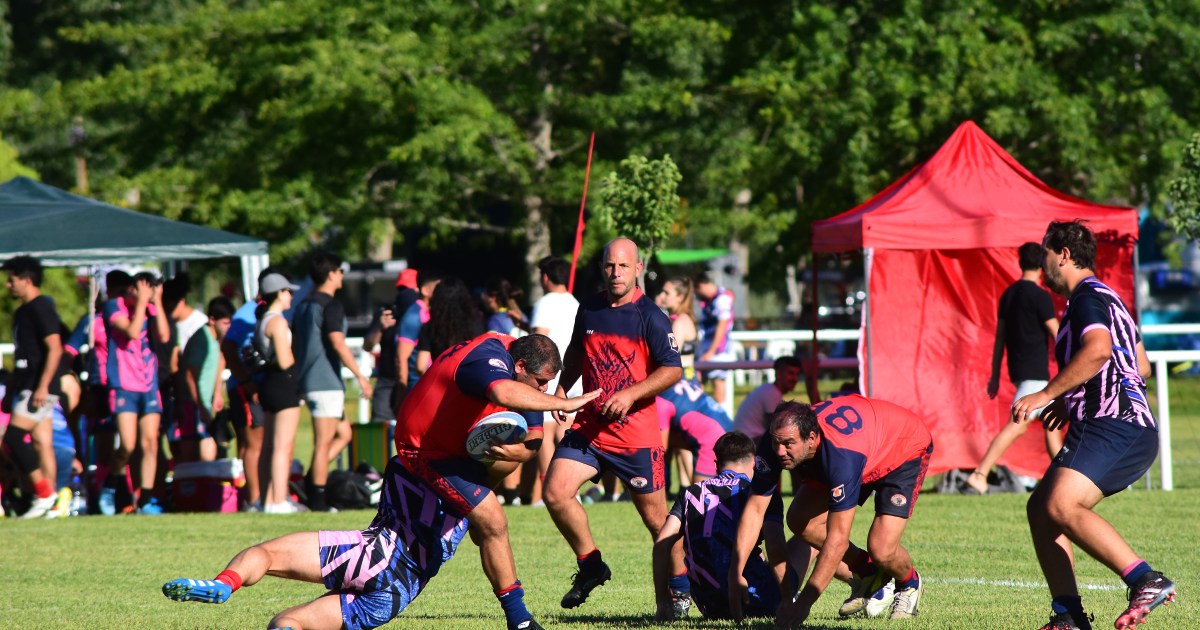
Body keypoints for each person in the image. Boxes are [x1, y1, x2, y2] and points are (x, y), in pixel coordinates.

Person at [162, 332, 601, 630]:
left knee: (273, 581)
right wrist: (568, 401)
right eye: (543, 383)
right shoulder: (490, 367)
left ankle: (223, 584)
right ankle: (520, 619)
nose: (547, 389)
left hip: (373, 551)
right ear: (520, 364)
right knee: (493, 520)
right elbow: (507, 397)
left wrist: (512, 442)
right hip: (394, 573)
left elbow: (519, 450)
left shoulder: (508, 352)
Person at [1012, 220, 1176, 630]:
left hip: (1115, 424)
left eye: (1047, 253)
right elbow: (1137, 365)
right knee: (1041, 509)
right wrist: (1074, 400)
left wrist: (1047, 394)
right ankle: (1068, 616)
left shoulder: (1085, 299)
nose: (1045, 262)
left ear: (1063, 255)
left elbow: (1100, 351)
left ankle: (1146, 580)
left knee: (1060, 504)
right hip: (1123, 424)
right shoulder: (1110, 299)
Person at [542, 237, 687, 612]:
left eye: (624, 266)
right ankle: (591, 565)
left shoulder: (651, 316)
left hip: (635, 435)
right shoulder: (588, 306)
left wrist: (631, 394)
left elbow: (672, 369)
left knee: (659, 524)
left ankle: (682, 589)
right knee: (555, 492)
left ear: (638, 269)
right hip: (590, 427)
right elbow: (577, 350)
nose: (616, 273)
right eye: (609, 265)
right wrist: (562, 389)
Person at [729, 397, 933, 625]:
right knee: (800, 520)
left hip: (901, 448)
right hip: (861, 444)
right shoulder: (776, 440)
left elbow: (837, 540)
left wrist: (802, 605)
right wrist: (735, 572)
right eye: (776, 443)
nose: (779, 451)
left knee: (881, 549)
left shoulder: (841, 458)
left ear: (812, 438)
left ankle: (909, 583)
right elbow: (755, 510)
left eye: (788, 444)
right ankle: (868, 573)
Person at [653, 432, 782, 620]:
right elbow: (775, 546)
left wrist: (663, 602)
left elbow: (662, 543)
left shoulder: (691, 493)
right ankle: (791, 600)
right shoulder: (761, 493)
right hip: (756, 599)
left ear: (716, 464)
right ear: (754, 462)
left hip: (711, 605)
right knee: (807, 542)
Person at [968, 242, 1063, 494]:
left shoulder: (1009, 294)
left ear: (1020, 263)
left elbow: (999, 339)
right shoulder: (1041, 296)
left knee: (1051, 425)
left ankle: (1062, 477)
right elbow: (1057, 333)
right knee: (1018, 423)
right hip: (1037, 375)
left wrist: (995, 376)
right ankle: (979, 474)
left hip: (1018, 370)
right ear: (1042, 265)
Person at [292, 252, 373, 512]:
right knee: (323, 442)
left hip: (309, 379)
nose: (342, 276)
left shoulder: (303, 305)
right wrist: (360, 376)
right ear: (330, 274)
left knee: (344, 433)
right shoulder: (330, 305)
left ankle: (308, 482)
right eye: (339, 271)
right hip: (324, 381)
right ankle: (316, 499)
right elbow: (338, 342)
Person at [100, 270, 171, 515]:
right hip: (123, 384)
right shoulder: (113, 306)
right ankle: (112, 481)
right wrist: (141, 302)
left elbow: (164, 336)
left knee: (149, 442)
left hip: (149, 385)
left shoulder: (151, 308)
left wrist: (157, 301)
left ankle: (146, 499)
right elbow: (131, 332)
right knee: (128, 445)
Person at [1, 256, 65, 518]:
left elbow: (55, 348)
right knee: (41, 442)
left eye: (12, 279)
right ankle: (53, 503)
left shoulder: (41, 307)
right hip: (27, 383)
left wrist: (43, 386)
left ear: (26, 280)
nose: (7, 285)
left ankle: (44, 494)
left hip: (40, 387)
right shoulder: (22, 312)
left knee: (13, 438)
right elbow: (23, 356)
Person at [220, 266, 287, 510]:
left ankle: (264, 496)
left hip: (260, 387)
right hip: (245, 388)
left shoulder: (266, 313)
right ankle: (255, 499)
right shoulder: (248, 313)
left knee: (264, 442)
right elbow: (228, 346)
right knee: (253, 444)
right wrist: (246, 381)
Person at [527, 256, 580, 506]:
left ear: (546, 277)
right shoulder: (576, 303)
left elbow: (538, 342)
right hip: (573, 375)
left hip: (549, 375)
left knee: (545, 433)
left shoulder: (545, 303)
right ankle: (571, 489)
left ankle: (550, 487)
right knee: (566, 432)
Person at [254, 273, 304, 514]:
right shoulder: (278, 322)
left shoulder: (262, 319)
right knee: (282, 446)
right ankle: (278, 500)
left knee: (268, 446)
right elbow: (285, 361)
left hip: (268, 384)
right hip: (284, 385)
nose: (291, 296)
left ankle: (266, 500)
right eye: (288, 291)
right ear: (279, 293)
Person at [172, 296, 234, 463]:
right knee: (197, 453)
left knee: (207, 451)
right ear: (212, 320)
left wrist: (217, 393)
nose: (229, 328)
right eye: (226, 323)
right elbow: (190, 376)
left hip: (202, 404)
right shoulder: (202, 339)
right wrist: (200, 406)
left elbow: (220, 359)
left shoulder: (214, 339)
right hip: (191, 404)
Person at [361, 267, 420, 424]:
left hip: (413, 380)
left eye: (408, 289)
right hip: (387, 381)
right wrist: (380, 328)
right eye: (401, 289)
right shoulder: (386, 313)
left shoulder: (423, 315)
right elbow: (367, 346)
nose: (405, 294)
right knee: (380, 429)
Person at [656, 377, 732, 484]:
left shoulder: (661, 400)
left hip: (712, 436)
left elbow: (659, 449)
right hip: (727, 427)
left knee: (701, 498)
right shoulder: (675, 382)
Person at [415, 276, 485, 373]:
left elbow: (420, 367)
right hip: (471, 381)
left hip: (443, 383)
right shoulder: (477, 323)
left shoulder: (430, 327)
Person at [732, 355, 803, 441]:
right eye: (791, 373)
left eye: (797, 374)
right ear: (778, 373)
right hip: (749, 442)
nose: (795, 378)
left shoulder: (768, 389)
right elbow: (776, 428)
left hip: (745, 439)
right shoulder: (772, 393)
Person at [394, 270, 440, 397]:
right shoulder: (414, 316)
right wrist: (402, 393)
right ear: (425, 290)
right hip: (418, 388)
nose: (441, 293)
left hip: (433, 386)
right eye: (438, 288)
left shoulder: (433, 313)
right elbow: (401, 357)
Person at [694, 273, 736, 404]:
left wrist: (711, 351)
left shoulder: (721, 299)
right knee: (696, 381)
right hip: (709, 350)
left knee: (718, 387)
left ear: (701, 286)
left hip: (719, 352)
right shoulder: (711, 300)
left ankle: (722, 419)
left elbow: (722, 325)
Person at [656, 277, 699, 382]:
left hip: (681, 383)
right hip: (683, 379)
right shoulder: (677, 319)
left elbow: (669, 357)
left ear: (680, 297)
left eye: (666, 293)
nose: (661, 296)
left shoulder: (680, 322)